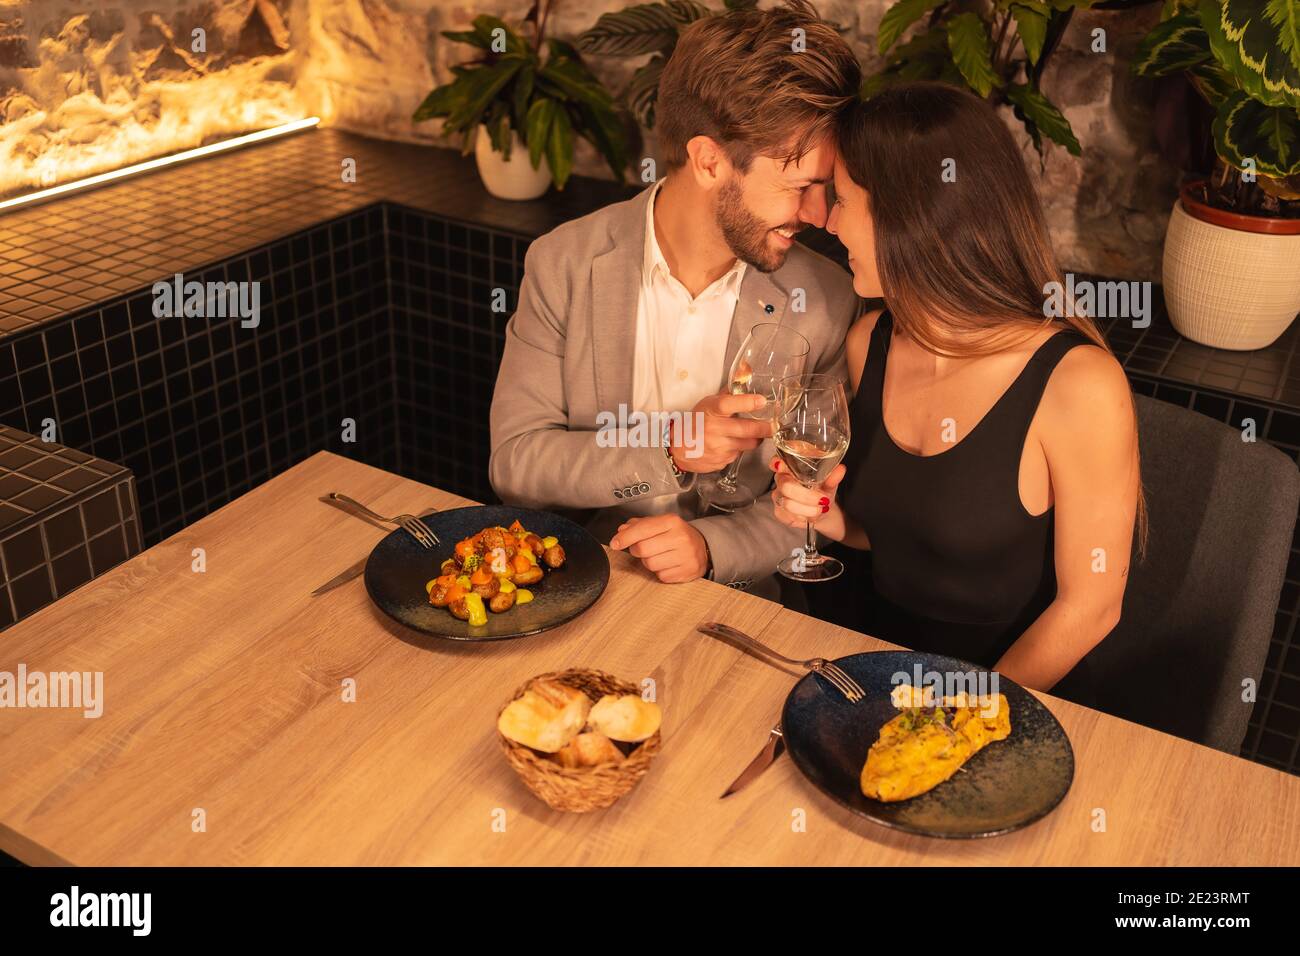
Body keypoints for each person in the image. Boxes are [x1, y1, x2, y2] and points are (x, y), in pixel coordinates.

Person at [772, 82, 1148, 703]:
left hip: (1003, 703)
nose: (827, 222)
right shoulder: (872, 342)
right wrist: (830, 518)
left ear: (910, 216)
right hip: (860, 675)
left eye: (842, 201)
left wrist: (950, 724)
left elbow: (1092, 607)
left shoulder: (1078, 384)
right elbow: (897, 535)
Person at [490, 0, 861, 600]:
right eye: (799, 187)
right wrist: (669, 447)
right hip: (574, 581)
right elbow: (517, 464)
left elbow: (811, 499)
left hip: (732, 605)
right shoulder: (564, 262)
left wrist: (713, 550)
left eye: (825, 187)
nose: (818, 216)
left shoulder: (824, 297)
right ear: (709, 160)